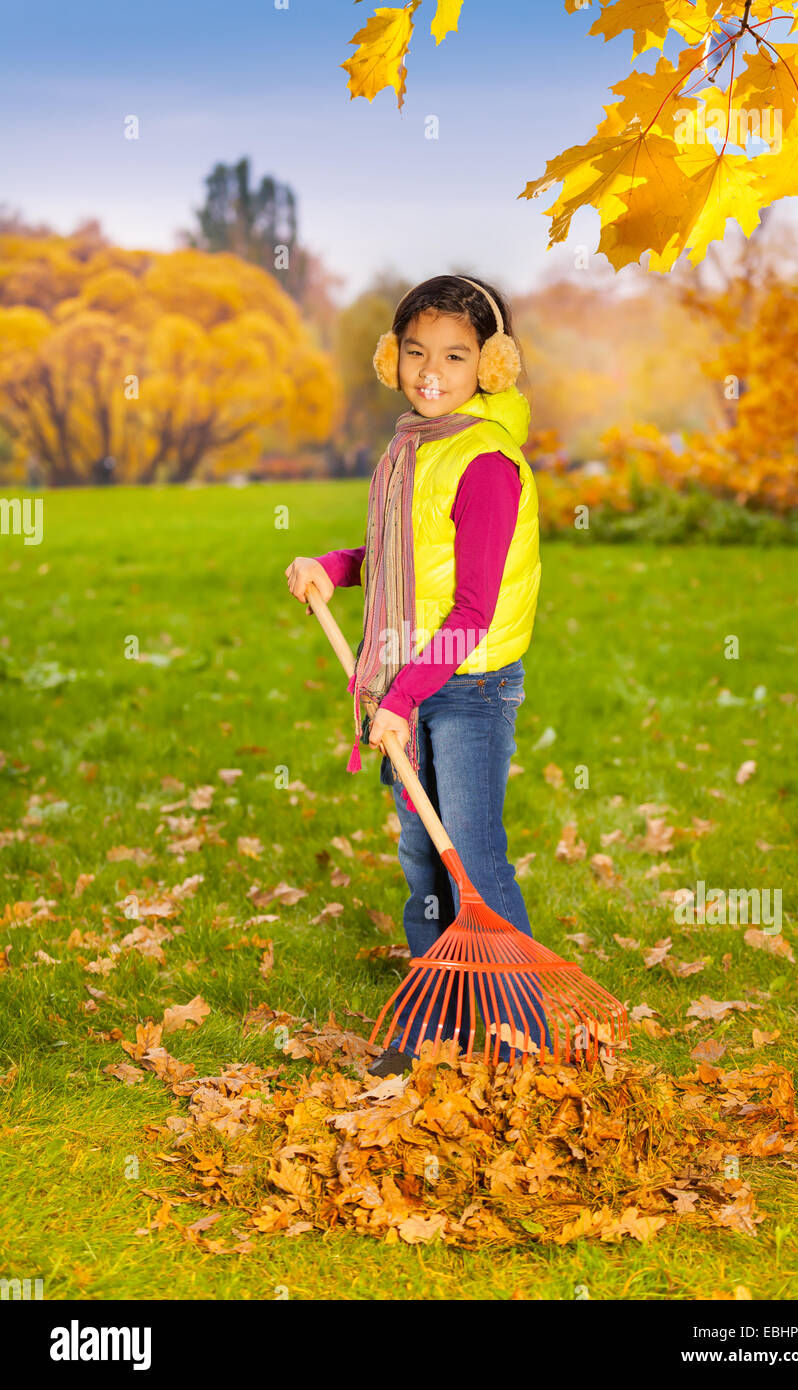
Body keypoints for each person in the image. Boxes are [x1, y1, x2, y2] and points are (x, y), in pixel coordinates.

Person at [286, 274, 546, 1074]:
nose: (432, 370)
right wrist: (334, 566)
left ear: (491, 366)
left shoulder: (487, 465)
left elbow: (469, 610)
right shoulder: (409, 448)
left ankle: (519, 1025)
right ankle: (437, 1019)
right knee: (420, 858)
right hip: (409, 684)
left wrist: (399, 698)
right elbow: (400, 562)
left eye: (457, 356)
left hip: (466, 687)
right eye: (416, 352)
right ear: (391, 357)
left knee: (467, 849)